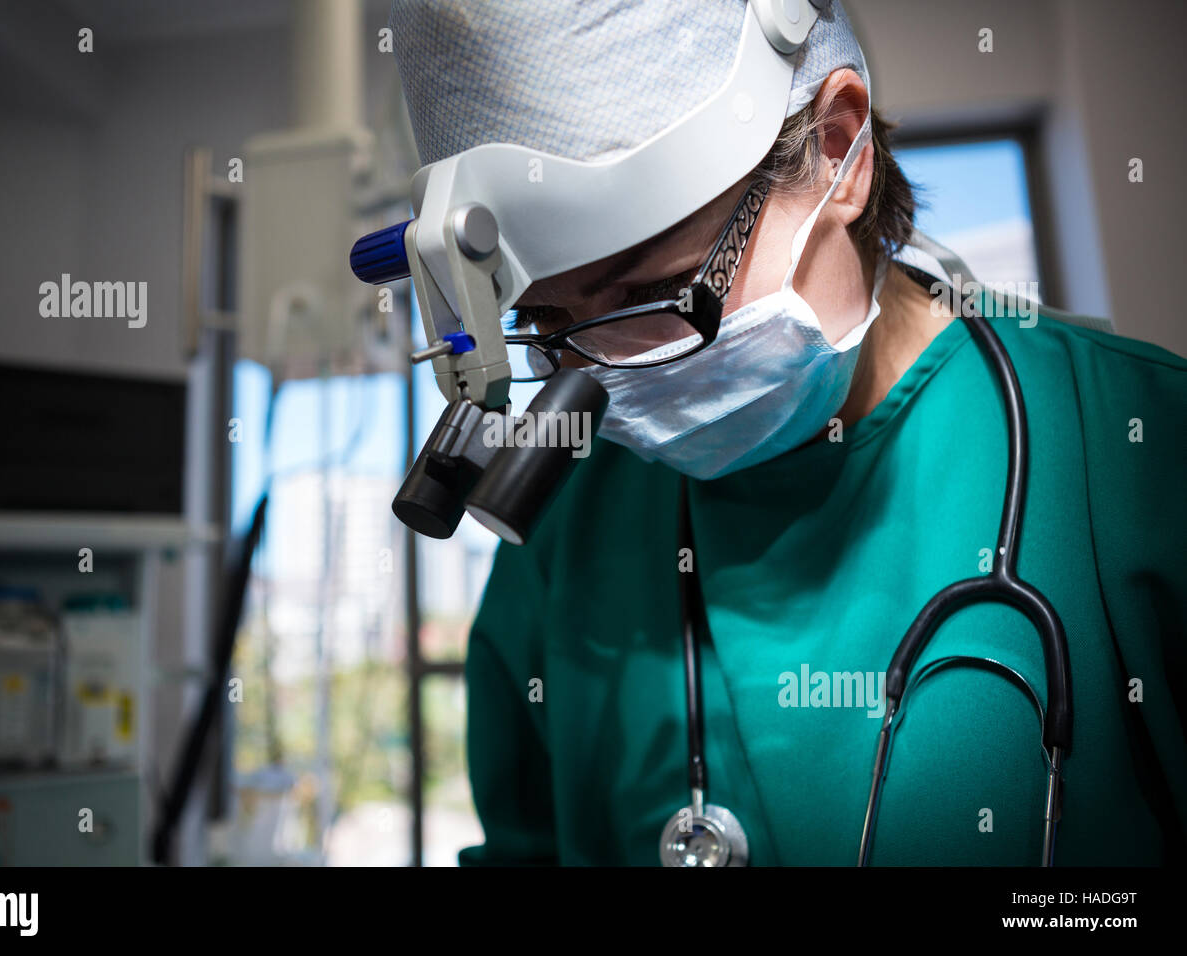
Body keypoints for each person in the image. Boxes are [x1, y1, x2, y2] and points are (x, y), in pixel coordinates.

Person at [388, 0, 1187, 864]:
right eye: (547, 324)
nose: (607, 372)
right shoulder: (562, 530)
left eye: (648, 297)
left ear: (839, 151)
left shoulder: (1136, 448)